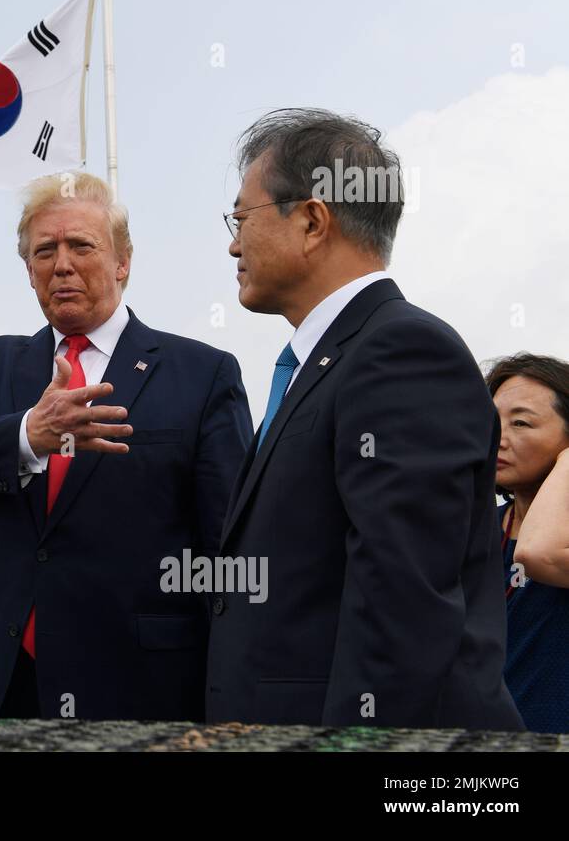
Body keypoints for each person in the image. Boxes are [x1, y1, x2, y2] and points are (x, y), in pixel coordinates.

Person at [205, 108, 522, 731]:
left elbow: (401, 607)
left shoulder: (401, 353)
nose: (233, 242)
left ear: (313, 220)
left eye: (242, 217)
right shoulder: (319, 363)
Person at [0, 171, 252, 720]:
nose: (62, 264)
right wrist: (29, 434)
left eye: (81, 246)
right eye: (44, 250)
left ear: (123, 262)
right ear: (28, 271)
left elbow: (227, 547)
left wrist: (232, 697)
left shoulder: (203, 374)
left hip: (134, 682)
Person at [486, 353, 569, 733]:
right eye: (488, 422)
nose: (497, 439)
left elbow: (538, 554)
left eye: (520, 423)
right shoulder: (477, 527)